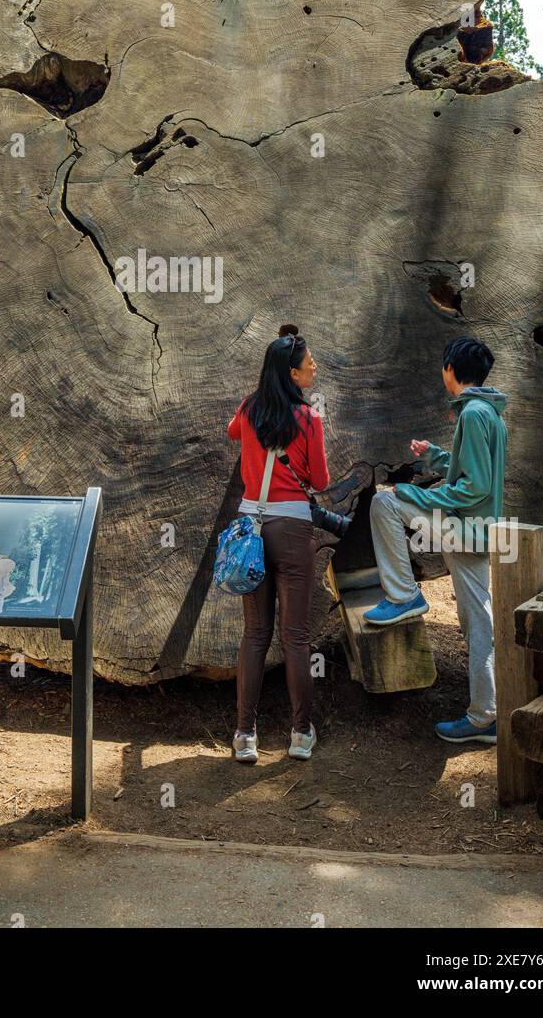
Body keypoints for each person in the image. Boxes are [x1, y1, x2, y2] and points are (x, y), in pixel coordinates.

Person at [364, 337, 508, 746]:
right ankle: (486, 716)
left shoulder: (474, 414)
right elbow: (476, 472)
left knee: (385, 502)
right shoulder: (488, 413)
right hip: (479, 532)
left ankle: (404, 594)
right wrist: (436, 457)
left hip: (463, 528)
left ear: (450, 369)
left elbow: (473, 488)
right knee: (478, 619)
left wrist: (415, 494)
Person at [227, 323, 330, 764]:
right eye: (309, 365)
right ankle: (300, 733)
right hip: (292, 528)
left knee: (255, 633)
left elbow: (233, 431)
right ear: (291, 374)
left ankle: (245, 735)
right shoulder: (308, 419)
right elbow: (320, 480)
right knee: (296, 636)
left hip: (251, 525)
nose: (314, 369)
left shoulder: (250, 410)